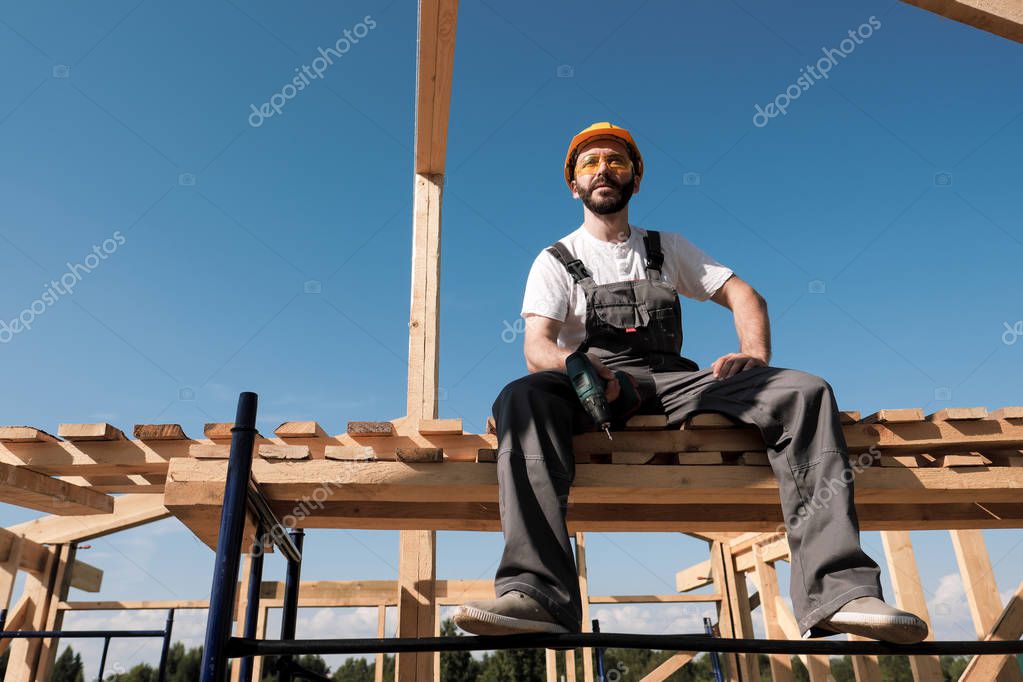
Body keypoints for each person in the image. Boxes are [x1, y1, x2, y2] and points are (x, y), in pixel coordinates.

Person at [453, 122, 928, 644]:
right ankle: (536, 594)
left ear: (637, 179)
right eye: (589, 163)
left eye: (617, 161)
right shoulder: (556, 259)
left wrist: (754, 355)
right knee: (521, 398)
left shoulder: (667, 247)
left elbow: (746, 296)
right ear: (574, 185)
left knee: (804, 391)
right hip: (595, 384)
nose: (603, 170)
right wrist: (578, 368)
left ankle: (839, 590)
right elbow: (536, 346)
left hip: (675, 383)